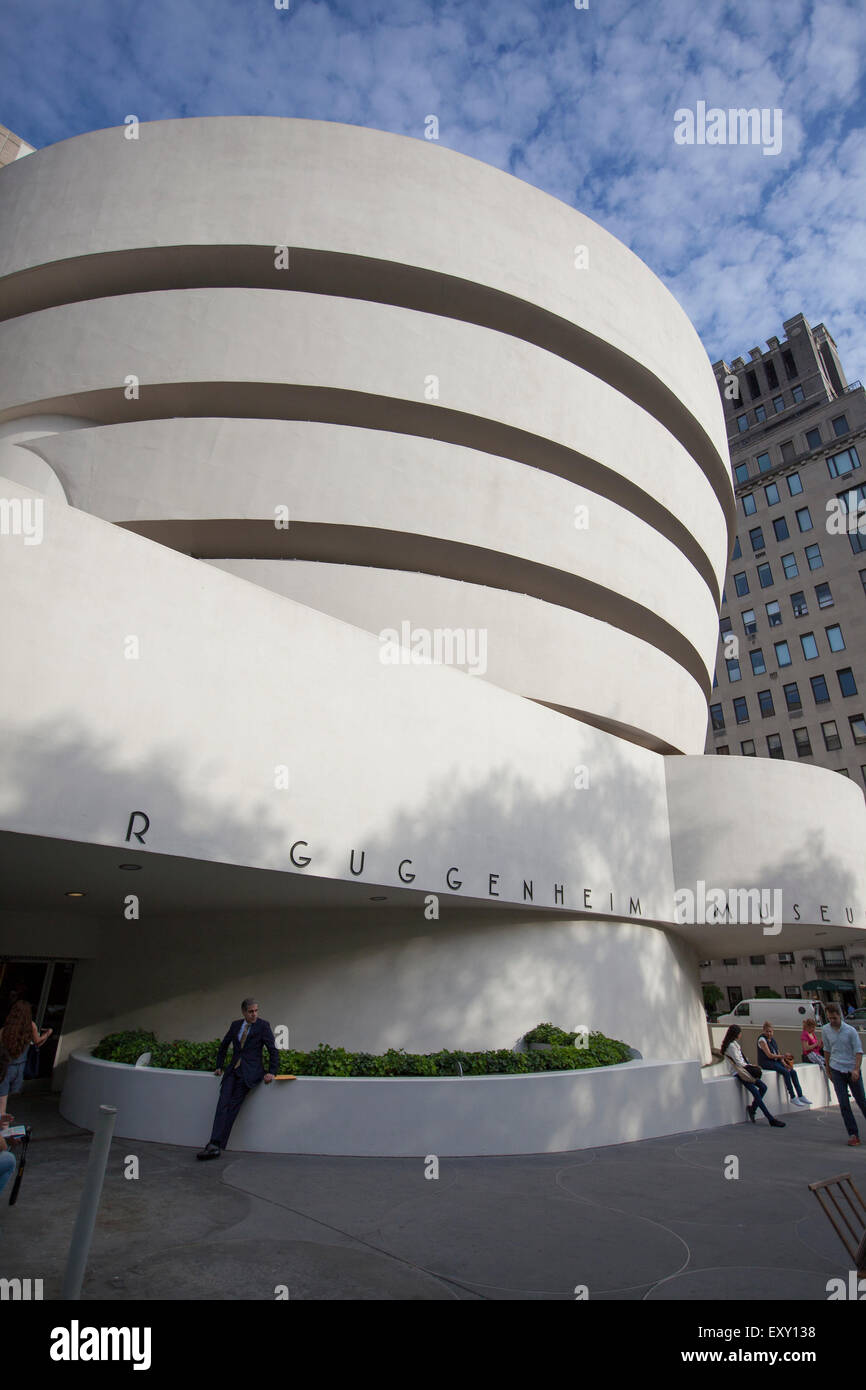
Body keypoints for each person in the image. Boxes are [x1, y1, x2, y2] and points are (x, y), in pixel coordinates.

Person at [197, 998, 279, 1160]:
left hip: (249, 1073)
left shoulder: (263, 1026)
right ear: (243, 1012)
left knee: (234, 1106)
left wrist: (272, 1072)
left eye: (256, 1011)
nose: (254, 1014)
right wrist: (219, 1065)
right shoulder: (236, 1025)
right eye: (251, 1011)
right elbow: (224, 1045)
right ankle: (214, 1144)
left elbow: (272, 1050)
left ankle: (215, 1145)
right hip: (232, 1071)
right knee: (222, 1104)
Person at [719, 1024, 785, 1127]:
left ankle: (752, 1108)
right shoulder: (731, 1046)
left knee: (763, 1087)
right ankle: (770, 1118)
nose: (741, 1034)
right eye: (740, 1032)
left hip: (744, 1071)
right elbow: (739, 1063)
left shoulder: (734, 1044)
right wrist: (751, 1067)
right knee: (756, 1092)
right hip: (740, 1073)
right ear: (736, 1034)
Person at [822, 1002, 866, 1146]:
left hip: (851, 1069)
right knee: (844, 1104)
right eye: (830, 1018)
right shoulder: (826, 1030)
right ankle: (853, 1134)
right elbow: (827, 1050)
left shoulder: (850, 1031)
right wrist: (828, 1069)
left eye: (834, 1018)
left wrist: (856, 1069)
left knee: (861, 1101)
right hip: (836, 1069)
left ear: (839, 1016)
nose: (832, 1021)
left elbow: (858, 1051)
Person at [0, 1002, 51, 1122]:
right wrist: (47, 1034)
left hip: (5, 1067)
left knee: (2, 1101)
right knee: (10, 1099)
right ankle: (5, 1130)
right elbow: (37, 1042)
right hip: (20, 1068)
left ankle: (3, 1128)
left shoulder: (5, 1030)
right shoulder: (31, 1026)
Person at [757, 1021, 812, 1106]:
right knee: (786, 1072)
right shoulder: (762, 1040)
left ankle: (800, 1095)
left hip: (775, 1061)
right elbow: (769, 1055)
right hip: (766, 1062)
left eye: (770, 1031)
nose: (769, 1033)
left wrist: (784, 1063)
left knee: (792, 1072)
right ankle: (792, 1097)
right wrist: (783, 1057)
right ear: (763, 1031)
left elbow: (777, 1052)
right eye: (767, 1031)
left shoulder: (772, 1040)